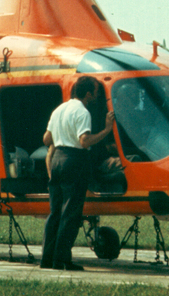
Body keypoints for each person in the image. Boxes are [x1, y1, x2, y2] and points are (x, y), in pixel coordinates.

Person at [40, 76, 115, 271]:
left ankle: (47, 258)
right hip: (74, 160)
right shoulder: (83, 112)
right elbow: (84, 141)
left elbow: (47, 139)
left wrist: (62, 134)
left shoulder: (59, 109)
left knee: (55, 211)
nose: (97, 96)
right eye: (96, 92)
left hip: (56, 159)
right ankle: (62, 258)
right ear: (88, 93)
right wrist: (107, 130)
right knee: (71, 213)